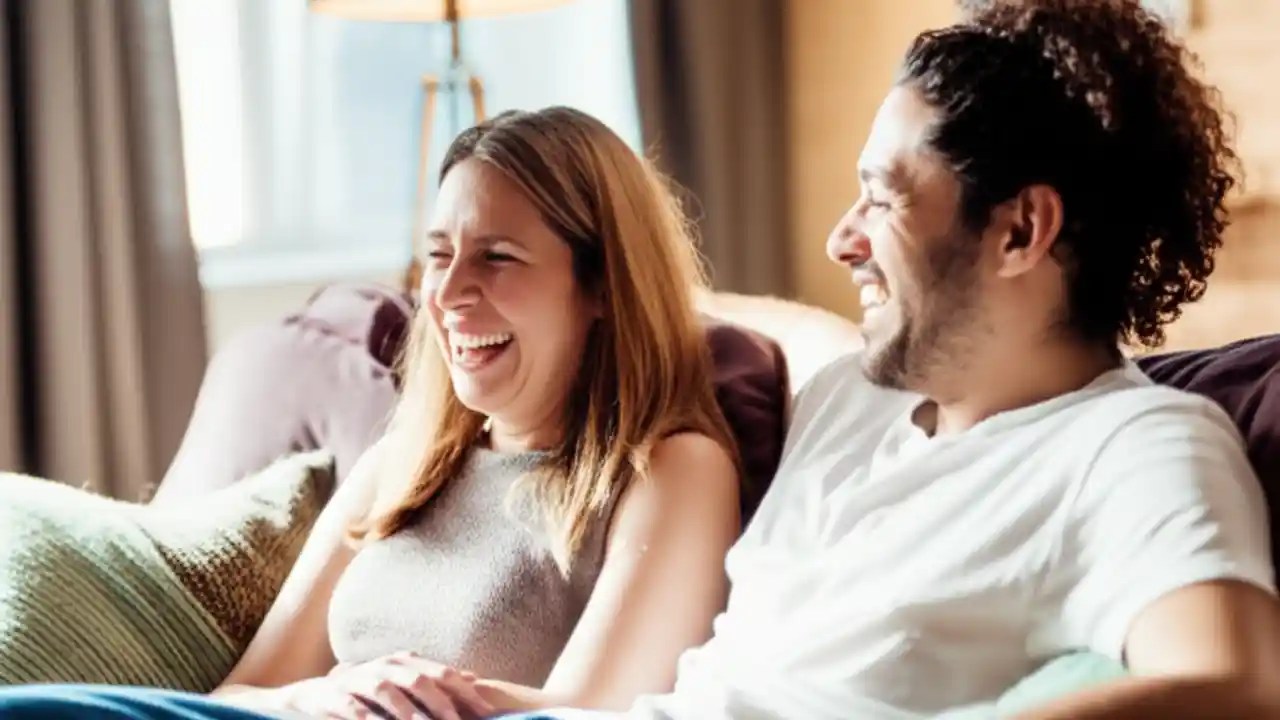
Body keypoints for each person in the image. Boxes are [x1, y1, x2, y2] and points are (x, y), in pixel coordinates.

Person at [0, 107, 742, 718]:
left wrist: (392, 699)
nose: (448, 296)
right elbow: (241, 694)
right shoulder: (407, 462)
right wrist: (332, 696)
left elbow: (593, 712)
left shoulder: (670, 467)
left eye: (498, 257)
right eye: (441, 255)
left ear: (603, 285)